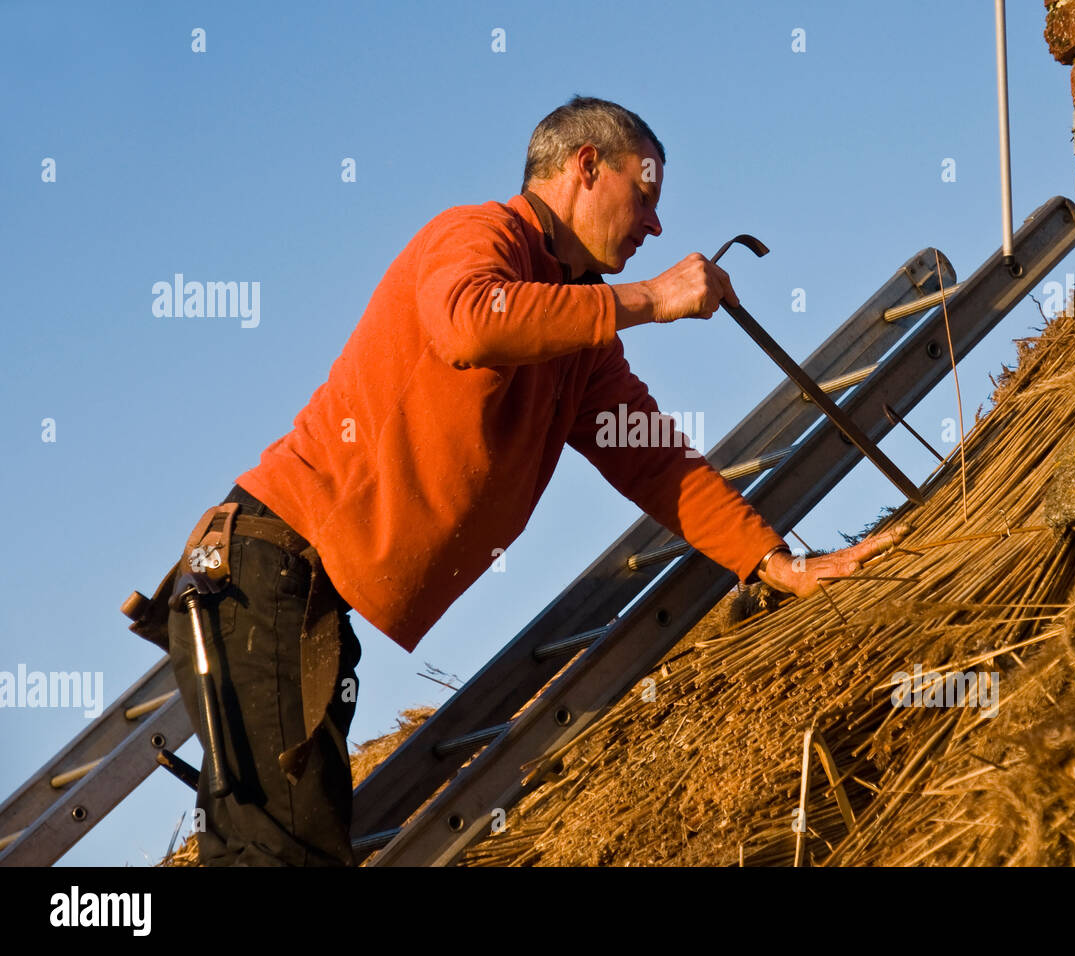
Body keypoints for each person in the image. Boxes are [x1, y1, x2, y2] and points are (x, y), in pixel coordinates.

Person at [162, 95, 909, 866]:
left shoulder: (581, 342)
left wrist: (772, 561)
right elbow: (471, 323)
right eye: (643, 196)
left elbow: (653, 459)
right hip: (263, 572)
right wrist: (650, 298)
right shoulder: (476, 236)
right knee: (278, 857)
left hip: (304, 598)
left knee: (276, 850)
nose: (654, 226)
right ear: (586, 166)